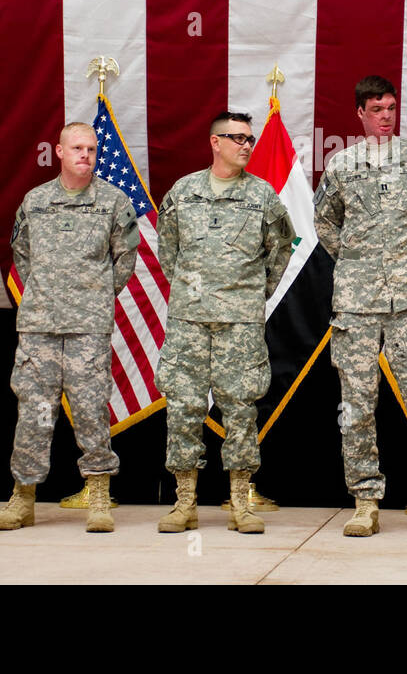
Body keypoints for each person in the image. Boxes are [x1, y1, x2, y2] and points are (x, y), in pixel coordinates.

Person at [313, 75, 407, 540]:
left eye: (391, 108)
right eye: (376, 110)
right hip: (356, 304)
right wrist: (357, 261)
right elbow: (325, 222)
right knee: (356, 406)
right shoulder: (341, 164)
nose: (385, 117)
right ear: (360, 113)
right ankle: (365, 500)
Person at [0, 122, 139, 533]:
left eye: (90, 149)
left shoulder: (113, 201)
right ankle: (23, 497)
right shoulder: (35, 201)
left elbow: (125, 260)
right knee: (34, 412)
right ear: (58, 151)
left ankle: (99, 495)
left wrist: (92, 295)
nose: (85, 155)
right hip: (39, 326)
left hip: (88, 328)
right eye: (76, 148)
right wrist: (46, 293)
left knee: (91, 410)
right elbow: (22, 254)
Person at [154, 112, 295, 534]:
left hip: (240, 322)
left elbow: (281, 249)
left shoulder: (262, 195)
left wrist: (252, 293)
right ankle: (184, 502)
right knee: (184, 407)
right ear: (215, 142)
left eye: (250, 139)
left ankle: (240, 502)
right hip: (190, 320)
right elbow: (168, 250)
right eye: (237, 138)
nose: (246, 145)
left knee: (241, 409)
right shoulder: (183, 192)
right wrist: (191, 291)